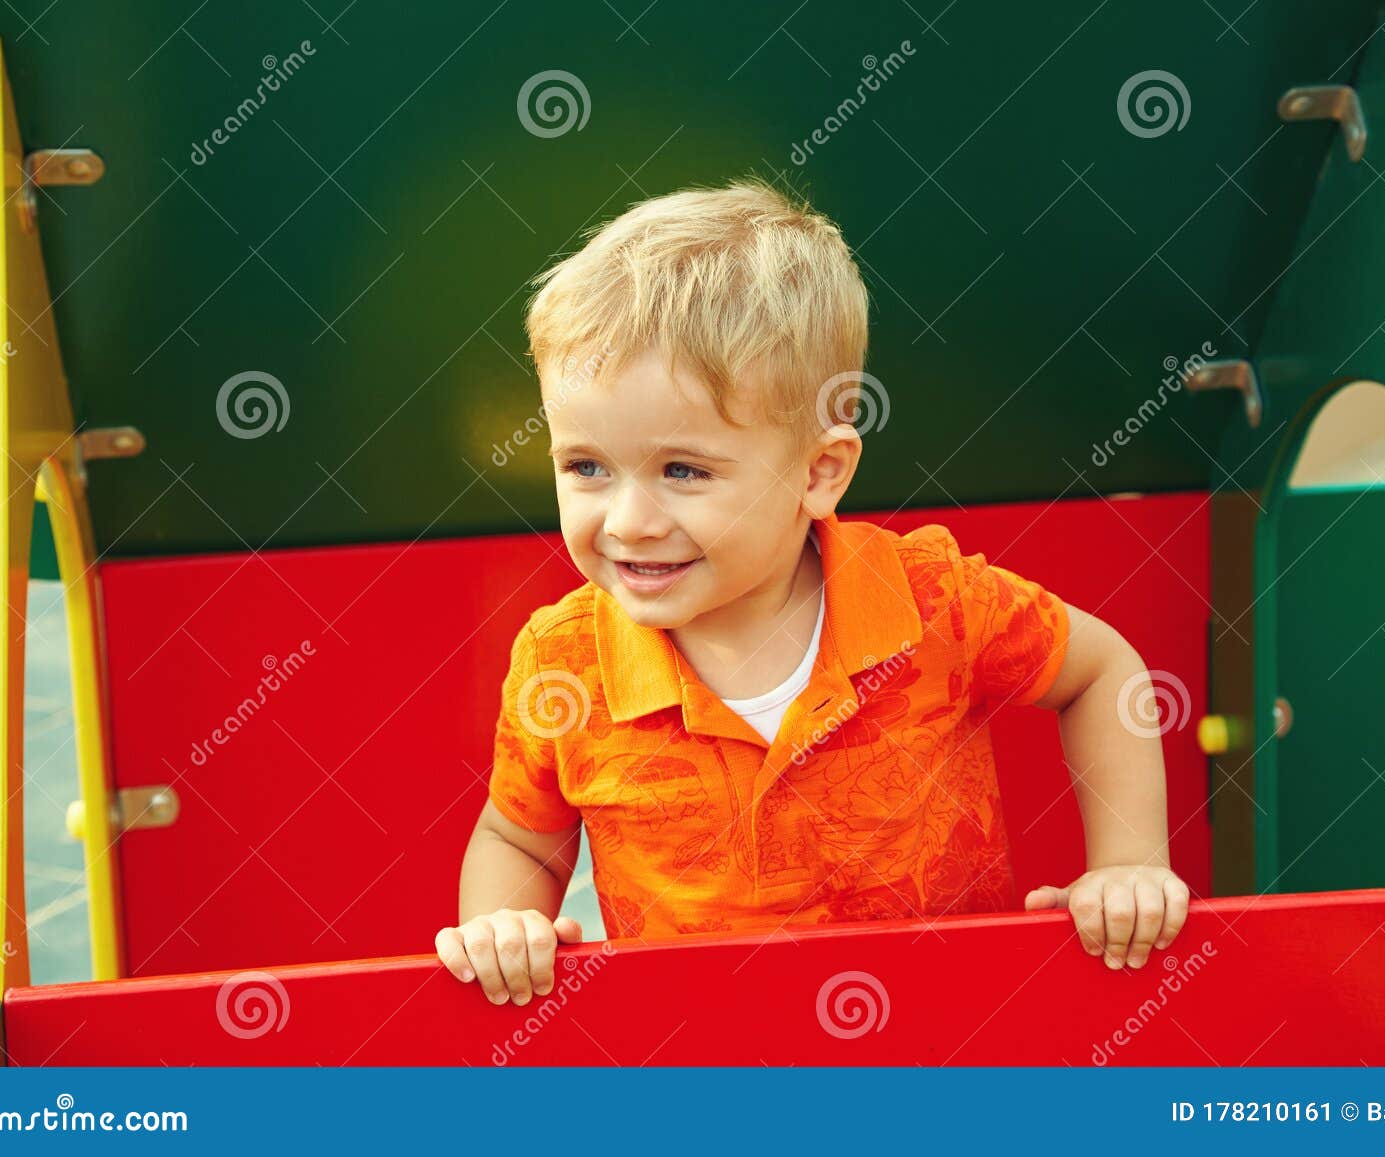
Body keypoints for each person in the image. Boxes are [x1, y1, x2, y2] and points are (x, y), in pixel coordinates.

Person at [435, 178, 1189, 1007]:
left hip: (953, 1040)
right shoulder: (563, 660)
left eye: (682, 470)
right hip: (695, 1057)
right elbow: (520, 838)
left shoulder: (931, 599)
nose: (628, 521)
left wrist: (1127, 863)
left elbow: (1100, 670)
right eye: (586, 466)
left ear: (819, 471)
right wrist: (504, 927)